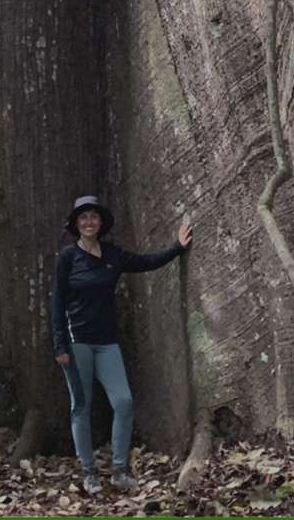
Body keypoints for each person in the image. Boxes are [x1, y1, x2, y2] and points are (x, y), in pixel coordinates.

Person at [51, 195, 193, 494]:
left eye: (93, 217)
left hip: (107, 342)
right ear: (76, 225)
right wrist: (60, 345)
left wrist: (178, 247)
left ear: (101, 222)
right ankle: (89, 471)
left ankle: (119, 468)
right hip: (77, 342)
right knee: (81, 406)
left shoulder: (112, 254)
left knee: (124, 401)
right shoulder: (67, 257)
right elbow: (57, 302)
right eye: (83, 218)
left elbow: (145, 262)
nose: (89, 222)